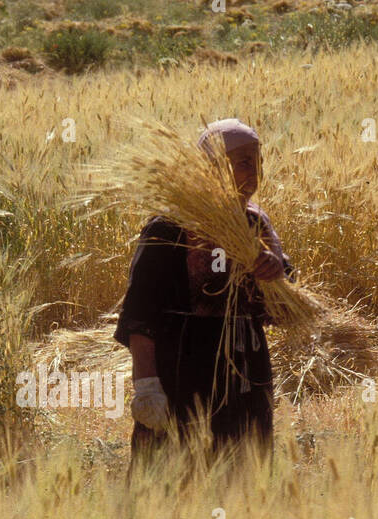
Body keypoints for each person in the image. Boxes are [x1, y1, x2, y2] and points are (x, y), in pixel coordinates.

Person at [113, 118, 294, 470]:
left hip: (245, 368)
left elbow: (283, 311)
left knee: (245, 471)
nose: (254, 169)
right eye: (242, 160)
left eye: (257, 159)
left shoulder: (256, 224)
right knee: (173, 477)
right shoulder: (169, 227)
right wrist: (147, 385)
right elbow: (140, 314)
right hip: (184, 367)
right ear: (212, 167)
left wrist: (276, 276)